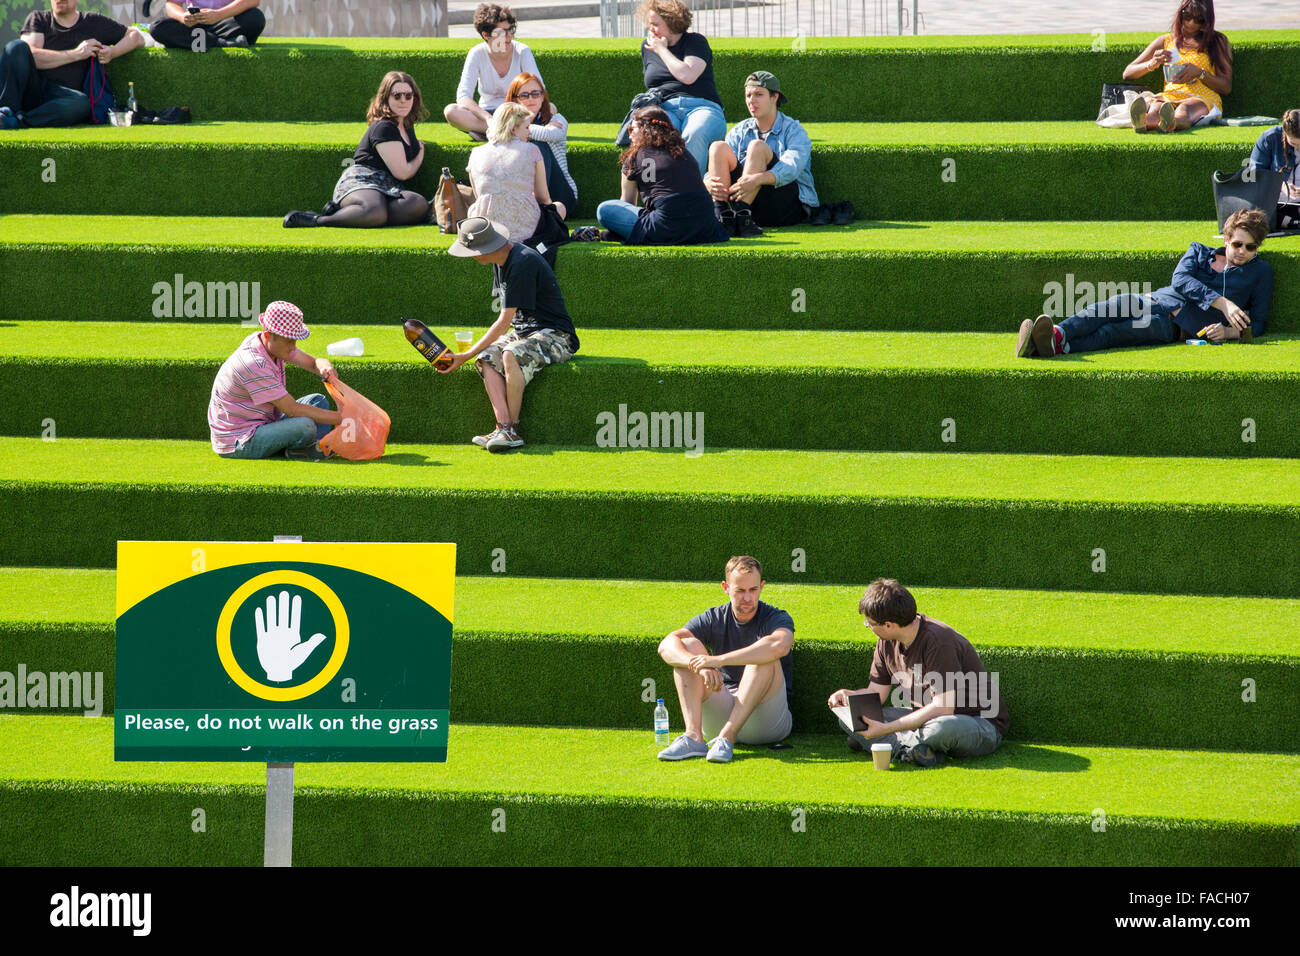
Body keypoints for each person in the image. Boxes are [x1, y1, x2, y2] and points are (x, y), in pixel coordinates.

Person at [1017, 208, 1272, 357]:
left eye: (1250, 248)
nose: (1242, 251)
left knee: (1112, 333)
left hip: (1174, 327)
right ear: (1226, 239)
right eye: (1237, 244)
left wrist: (1228, 332)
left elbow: (1258, 324)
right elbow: (1180, 280)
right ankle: (1057, 334)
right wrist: (1223, 303)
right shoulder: (1198, 251)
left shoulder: (1260, 272)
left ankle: (1044, 347)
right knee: (1108, 307)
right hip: (1157, 300)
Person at [827, 579, 1008, 768]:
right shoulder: (885, 641)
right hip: (922, 716)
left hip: (976, 723)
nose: (868, 626)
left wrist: (886, 729)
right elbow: (876, 693)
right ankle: (913, 750)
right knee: (850, 718)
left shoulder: (938, 641)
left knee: (938, 730)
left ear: (889, 625)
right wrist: (850, 696)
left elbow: (943, 709)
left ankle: (890, 745)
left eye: (870, 623)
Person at [442, 217, 579, 451]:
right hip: (526, 332)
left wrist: (463, 356)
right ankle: (502, 426)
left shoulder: (522, 262)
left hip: (557, 335)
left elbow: (503, 322)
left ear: (482, 251)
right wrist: (474, 353)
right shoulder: (500, 260)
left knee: (509, 354)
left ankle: (512, 431)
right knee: (485, 357)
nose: (471, 257)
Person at [656, 555, 793, 764]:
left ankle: (728, 737)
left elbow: (780, 646)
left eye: (753, 590)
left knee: (765, 657)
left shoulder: (776, 616)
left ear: (762, 586)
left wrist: (718, 661)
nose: (747, 598)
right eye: (740, 590)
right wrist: (699, 666)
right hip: (722, 709)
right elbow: (666, 645)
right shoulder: (714, 617)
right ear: (725, 587)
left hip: (766, 720)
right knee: (688, 648)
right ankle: (693, 737)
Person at [284, 72, 430, 228]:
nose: (403, 100)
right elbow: (403, 173)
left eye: (408, 96)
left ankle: (357, 215)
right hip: (362, 181)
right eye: (397, 95)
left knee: (417, 203)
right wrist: (420, 154)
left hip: (388, 187)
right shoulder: (384, 127)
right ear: (386, 97)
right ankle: (317, 220)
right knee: (374, 211)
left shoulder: (407, 125)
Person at [209, 301, 343, 460]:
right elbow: (292, 409)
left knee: (318, 401)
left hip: (264, 424)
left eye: (295, 340)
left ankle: (307, 448)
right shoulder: (254, 363)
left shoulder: (268, 344)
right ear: (268, 335)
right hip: (240, 441)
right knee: (305, 425)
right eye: (289, 341)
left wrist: (324, 365)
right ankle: (301, 449)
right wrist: (343, 419)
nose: (294, 347)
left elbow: (313, 363)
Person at [704, 70, 817, 237]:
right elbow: (719, 166)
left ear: (774, 97)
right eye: (748, 95)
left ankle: (742, 214)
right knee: (717, 147)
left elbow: (793, 167)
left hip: (783, 207)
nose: (751, 100)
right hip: (747, 201)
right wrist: (707, 182)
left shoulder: (794, 130)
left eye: (758, 94)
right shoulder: (740, 130)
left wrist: (758, 179)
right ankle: (723, 217)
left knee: (757, 147)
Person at [596, 105, 728, 245]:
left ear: (645, 130)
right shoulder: (684, 153)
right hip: (705, 227)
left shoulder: (634, 157)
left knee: (604, 209)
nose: (629, 136)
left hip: (666, 226)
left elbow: (627, 203)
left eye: (631, 129)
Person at [0, 0, 143, 129]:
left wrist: (113, 52)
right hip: (34, 90)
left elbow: (136, 37)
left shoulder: (94, 21)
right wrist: (77, 54)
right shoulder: (39, 18)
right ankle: (5, 111)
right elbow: (32, 56)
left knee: (81, 103)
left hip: (66, 99)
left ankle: (17, 122)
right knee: (15, 47)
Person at [638, 0, 725, 173]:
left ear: (672, 22)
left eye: (655, 24)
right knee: (658, 134)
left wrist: (662, 50)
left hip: (702, 106)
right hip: (665, 107)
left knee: (694, 133)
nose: (651, 30)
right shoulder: (647, 47)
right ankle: (662, 194)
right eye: (649, 25)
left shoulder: (695, 41)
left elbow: (688, 75)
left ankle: (692, 193)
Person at [1122, 0, 1231, 133]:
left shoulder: (1217, 41)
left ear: (1207, 20)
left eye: (1199, 19)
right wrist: (1152, 64)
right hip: (1170, 95)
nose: (1191, 23)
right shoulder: (1166, 41)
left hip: (1201, 97)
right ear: (1180, 14)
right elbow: (1128, 73)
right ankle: (1143, 122)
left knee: (1185, 109)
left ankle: (1171, 122)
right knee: (1156, 108)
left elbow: (1226, 87)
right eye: (1187, 16)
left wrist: (1200, 73)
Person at [466, 101, 565, 243]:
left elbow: (480, 197)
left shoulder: (475, 153)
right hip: (526, 228)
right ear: (513, 129)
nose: (529, 132)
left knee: (474, 209)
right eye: (526, 127)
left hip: (487, 229)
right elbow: (543, 198)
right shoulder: (532, 150)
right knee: (559, 208)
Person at [444, 3, 541, 142]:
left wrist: (523, 114)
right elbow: (464, 97)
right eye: (501, 32)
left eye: (511, 29)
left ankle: (493, 133)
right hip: (487, 114)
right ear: (486, 35)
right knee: (451, 111)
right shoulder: (476, 53)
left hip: (518, 114)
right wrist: (489, 119)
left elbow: (539, 89)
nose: (509, 36)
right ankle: (509, 132)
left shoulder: (522, 51)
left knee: (551, 108)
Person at [506, 72, 577, 218]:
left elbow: (550, 134)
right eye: (524, 95)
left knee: (537, 146)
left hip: (559, 194)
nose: (531, 99)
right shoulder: (508, 124)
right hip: (519, 192)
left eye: (535, 93)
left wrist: (516, 127)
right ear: (515, 100)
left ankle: (537, 207)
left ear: (543, 96)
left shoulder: (557, 119)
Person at [1248, 109, 1300, 229]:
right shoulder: (1270, 138)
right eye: (1294, 144)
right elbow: (1255, 174)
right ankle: (1285, 220)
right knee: (1251, 205)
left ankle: (1287, 221)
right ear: (1285, 133)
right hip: (1275, 202)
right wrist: (1281, 185)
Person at [149, 0, 265, 50]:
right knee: (157, 27)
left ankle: (201, 42)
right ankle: (222, 43)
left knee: (255, 18)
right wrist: (182, 17)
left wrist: (219, 15)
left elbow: (252, 1)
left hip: (227, 22)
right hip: (194, 24)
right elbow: (172, 3)